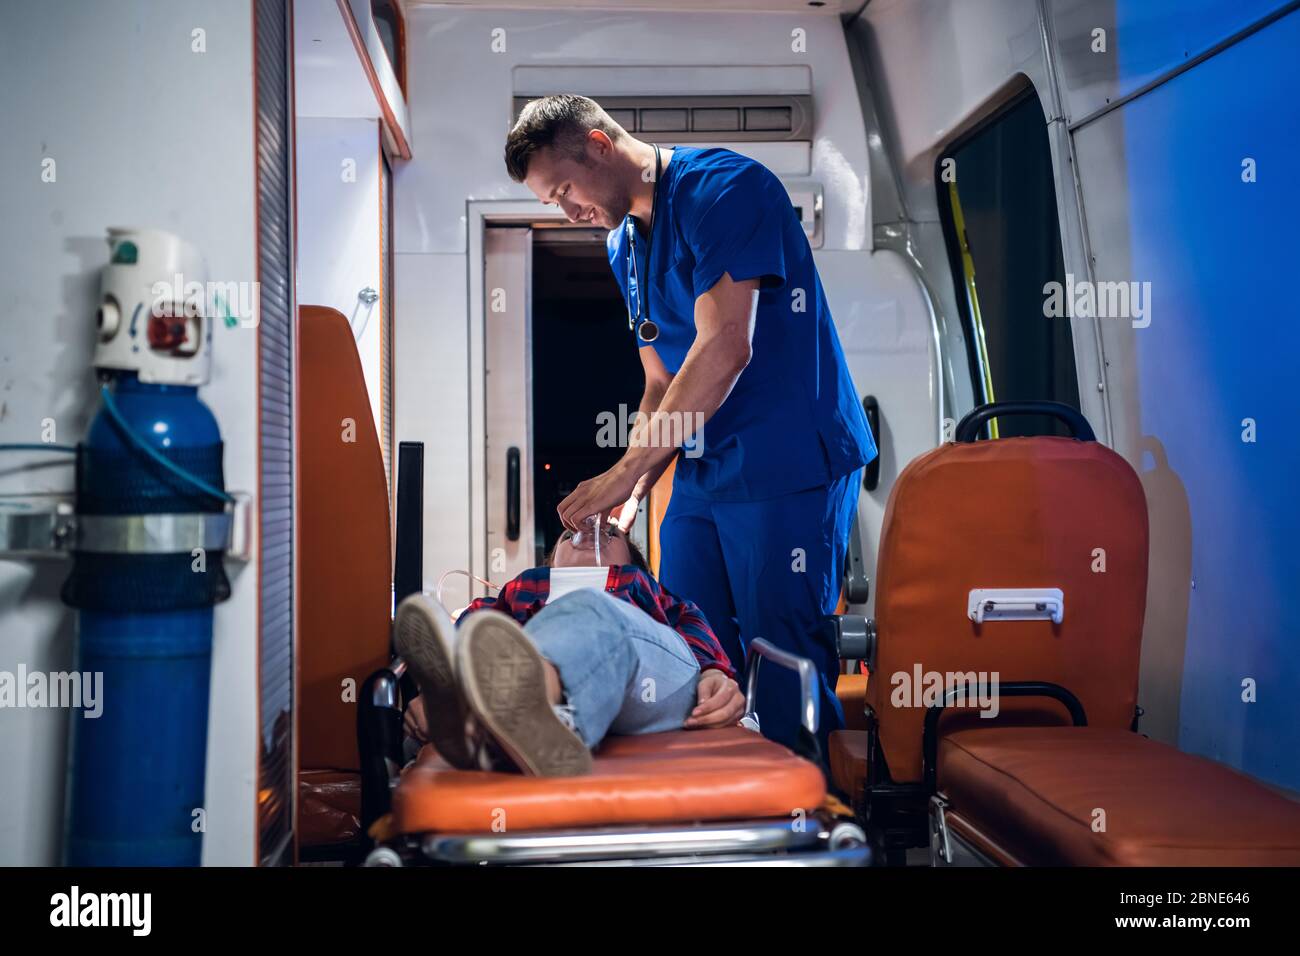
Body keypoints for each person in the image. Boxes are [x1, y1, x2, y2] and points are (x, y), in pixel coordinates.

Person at [503, 94, 876, 758]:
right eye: (550, 202)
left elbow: (727, 345)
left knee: (780, 654)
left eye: (564, 190)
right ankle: (714, 814)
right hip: (704, 466)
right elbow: (657, 380)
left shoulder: (725, 190)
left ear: (598, 145)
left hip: (787, 457)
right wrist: (630, 497)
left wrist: (623, 473)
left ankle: (807, 825)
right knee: (697, 648)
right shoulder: (624, 245)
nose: (567, 211)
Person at [397, 523, 744, 776]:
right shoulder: (499, 609)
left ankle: (508, 711)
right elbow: (459, 649)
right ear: (552, 562)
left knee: (594, 607)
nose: (589, 528)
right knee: (482, 636)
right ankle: (515, 730)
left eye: (610, 532)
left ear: (634, 565)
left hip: (649, 685)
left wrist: (715, 674)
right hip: (572, 697)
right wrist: (430, 700)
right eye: (567, 532)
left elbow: (698, 645)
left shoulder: (653, 597)